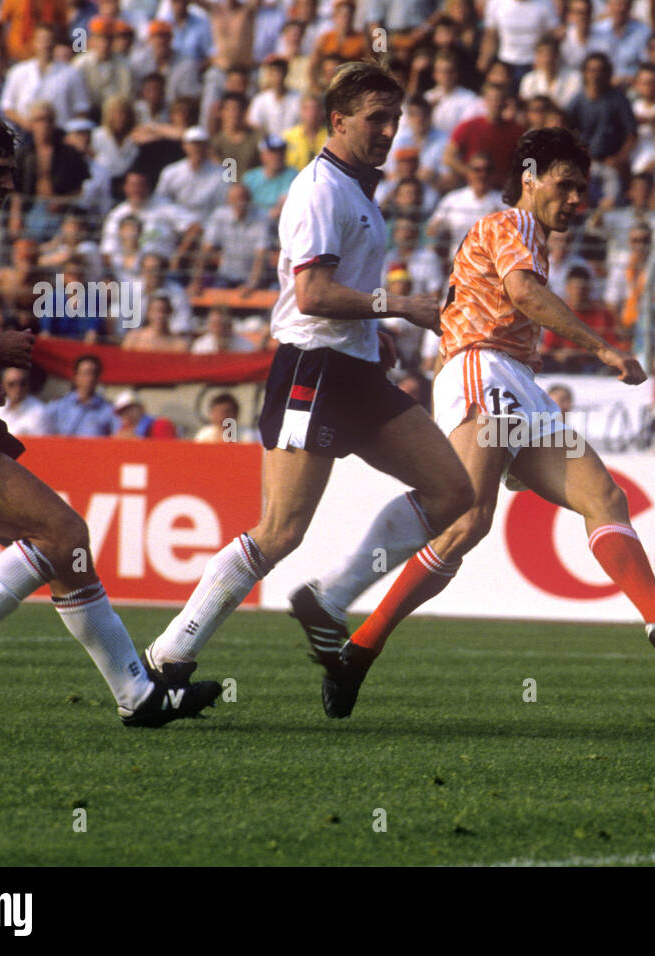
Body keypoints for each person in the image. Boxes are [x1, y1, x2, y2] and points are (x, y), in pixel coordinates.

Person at [309, 127, 655, 718]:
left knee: (604, 495)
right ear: (529, 179)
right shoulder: (510, 225)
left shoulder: (531, 237)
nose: (575, 200)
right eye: (565, 185)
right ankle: (357, 648)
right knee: (468, 520)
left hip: (518, 380)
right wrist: (603, 348)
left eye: (582, 190)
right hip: (483, 369)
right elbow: (523, 295)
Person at [142, 62, 474, 710]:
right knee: (280, 529)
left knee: (451, 489)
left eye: (396, 119)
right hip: (312, 371)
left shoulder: (356, 190)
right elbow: (312, 293)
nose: (388, 130)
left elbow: (335, 289)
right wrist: (399, 306)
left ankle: (328, 598)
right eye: (376, 118)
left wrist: (373, 329)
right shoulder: (321, 188)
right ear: (339, 120)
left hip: (353, 367)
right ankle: (169, 653)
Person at [0, 106, 217, 725]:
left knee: (62, 551)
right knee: (63, 535)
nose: (9, 183)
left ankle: (138, 696)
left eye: (12, 171)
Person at [42, 353, 120, 436]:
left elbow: (118, 435)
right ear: (76, 377)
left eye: (93, 373)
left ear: (98, 377)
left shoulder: (108, 410)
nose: (90, 378)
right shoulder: (58, 405)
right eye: (86, 373)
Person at [0, 367, 46, 436]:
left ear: (28, 384)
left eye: (22, 383)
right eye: (11, 384)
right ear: (3, 385)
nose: (17, 388)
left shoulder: (39, 411)